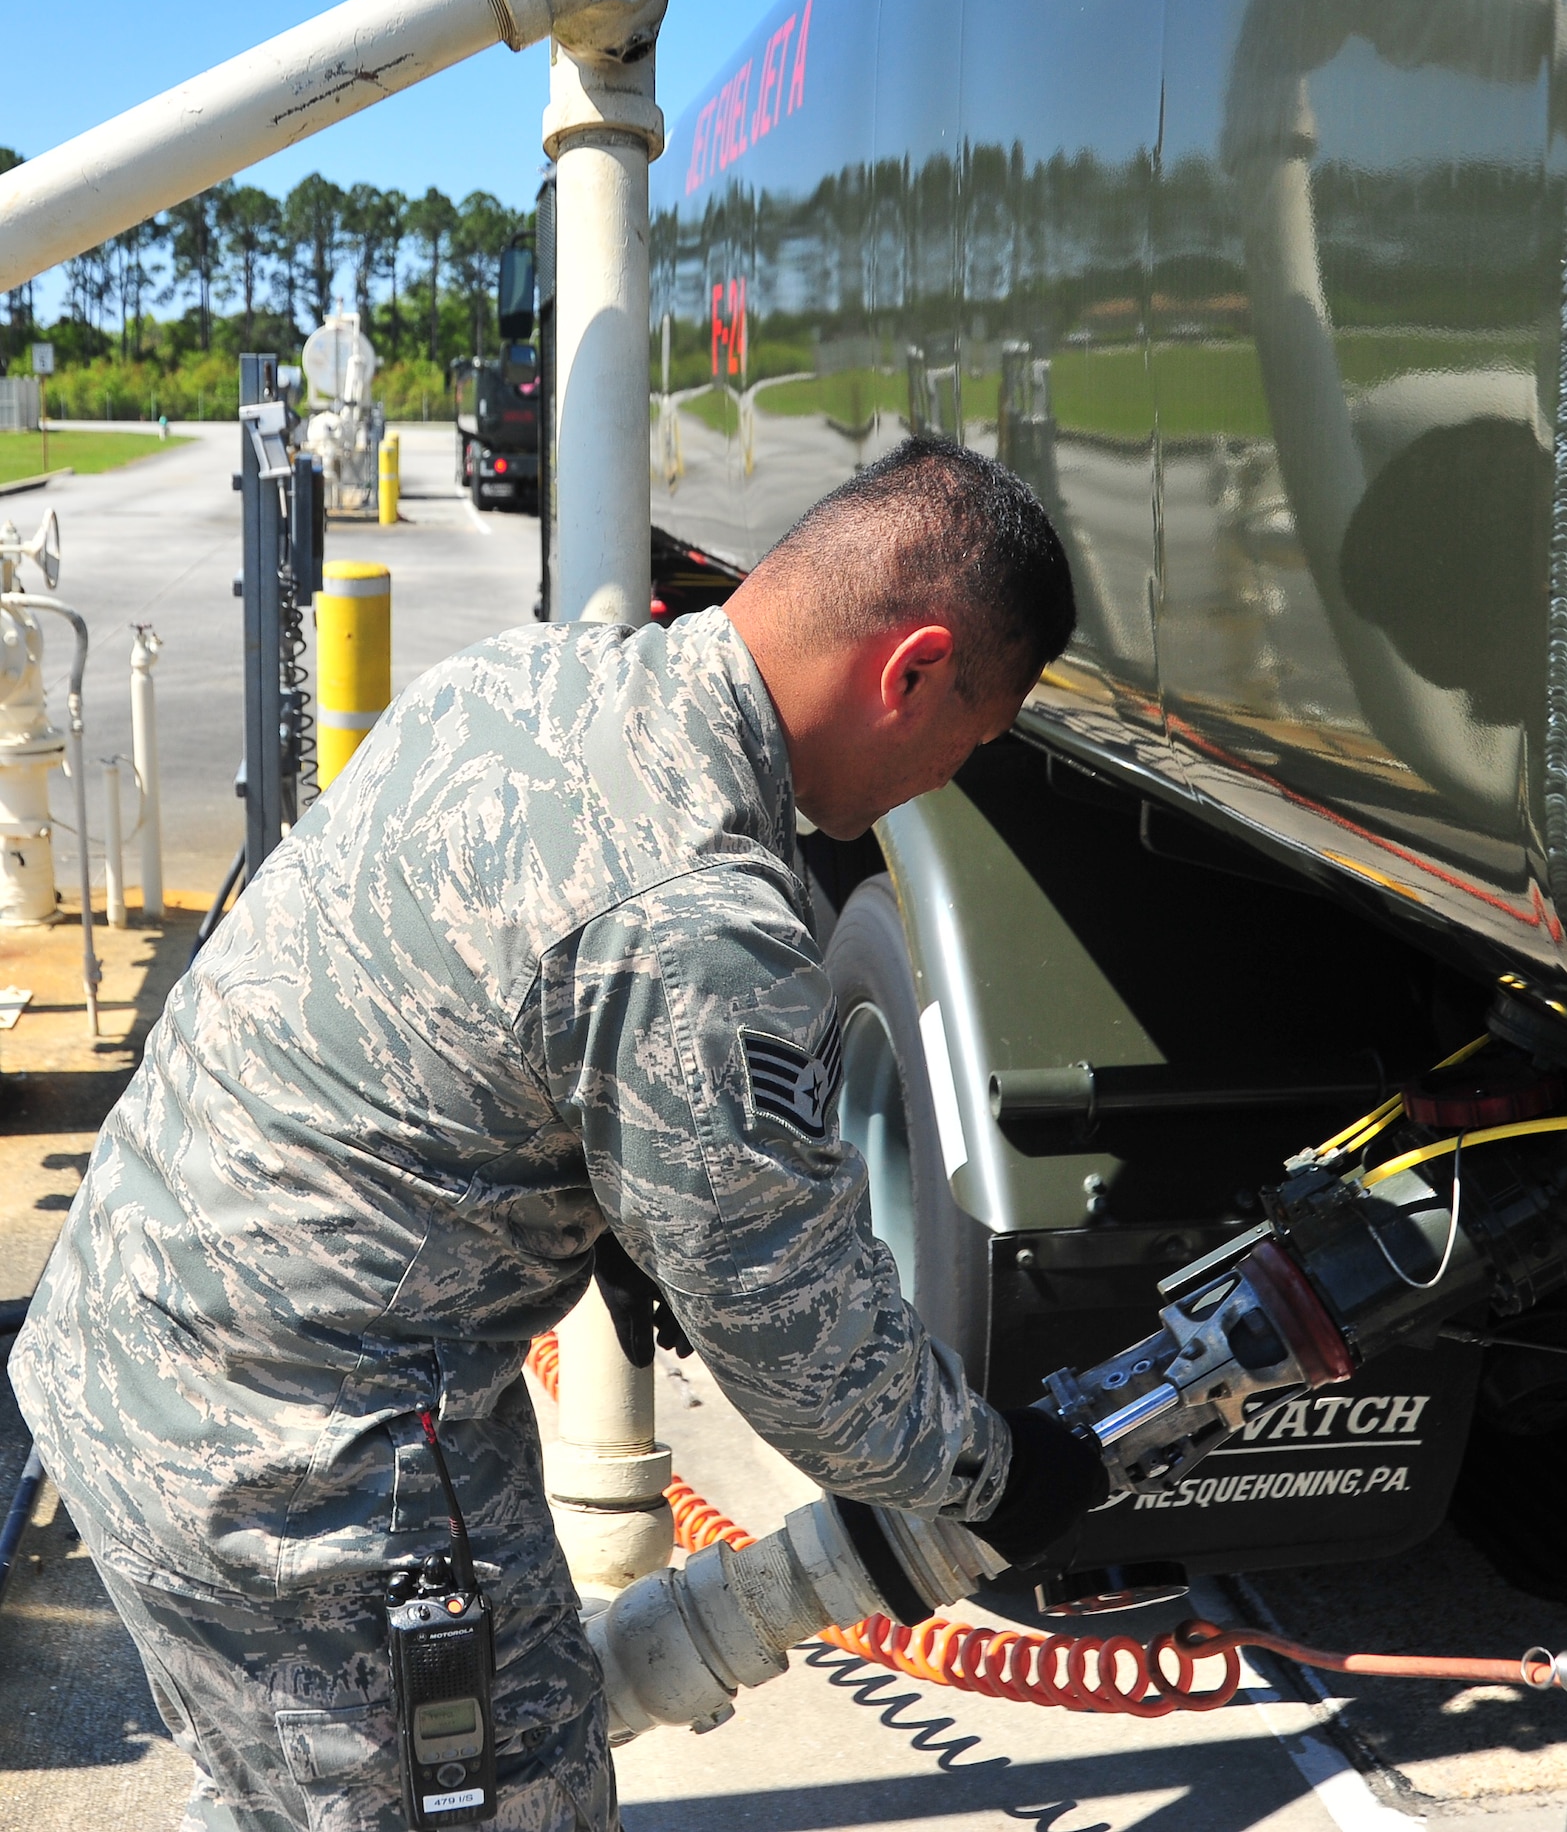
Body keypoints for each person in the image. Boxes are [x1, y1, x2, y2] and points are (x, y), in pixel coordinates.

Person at [10, 435, 1100, 1832]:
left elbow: (449, 1020)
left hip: (130, 1351)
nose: (945, 777)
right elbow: (817, 1367)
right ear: (911, 671)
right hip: (302, 1482)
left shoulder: (525, 679)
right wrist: (995, 1472)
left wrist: (617, 1218)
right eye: (970, 735)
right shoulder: (701, 915)